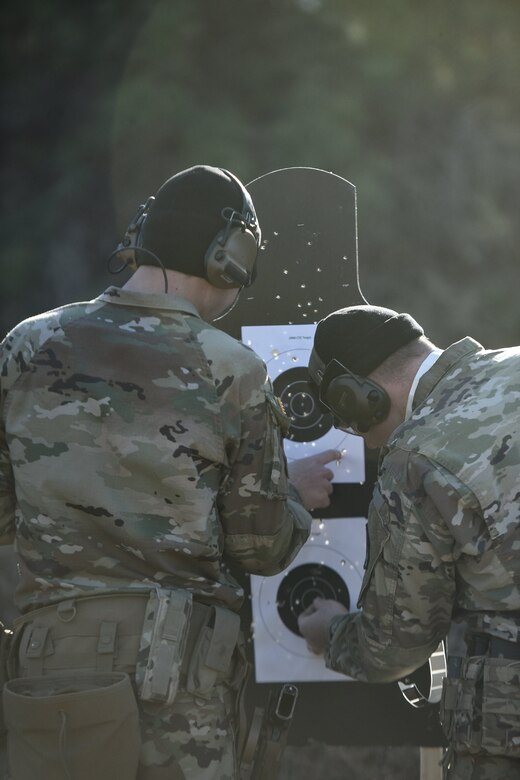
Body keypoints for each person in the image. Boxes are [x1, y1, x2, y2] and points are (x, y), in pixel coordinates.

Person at [0, 164, 339, 780]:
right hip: (176, 683)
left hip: (49, 675)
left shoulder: (26, 344)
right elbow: (259, 546)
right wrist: (292, 493)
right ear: (228, 258)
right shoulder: (230, 369)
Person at [297, 304, 520, 780]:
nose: (361, 439)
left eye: (347, 418)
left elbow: (394, 646)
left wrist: (332, 631)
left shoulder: (415, 457)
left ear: (359, 397)